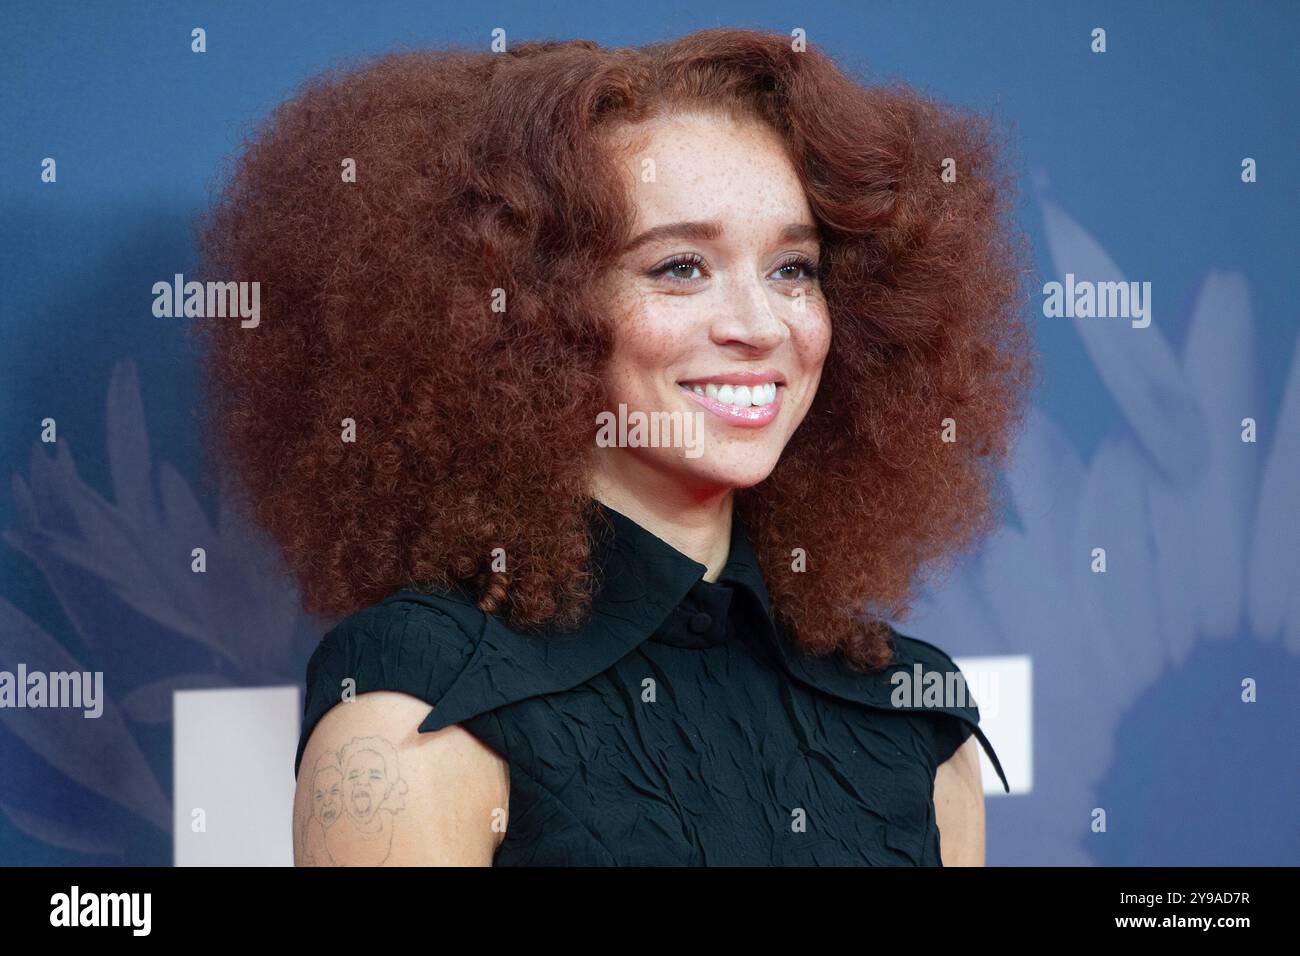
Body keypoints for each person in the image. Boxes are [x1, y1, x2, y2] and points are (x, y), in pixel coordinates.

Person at [195, 27, 1035, 865]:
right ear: (530, 319)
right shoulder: (421, 694)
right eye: (679, 267)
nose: (758, 325)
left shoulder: (908, 709)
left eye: (793, 269)